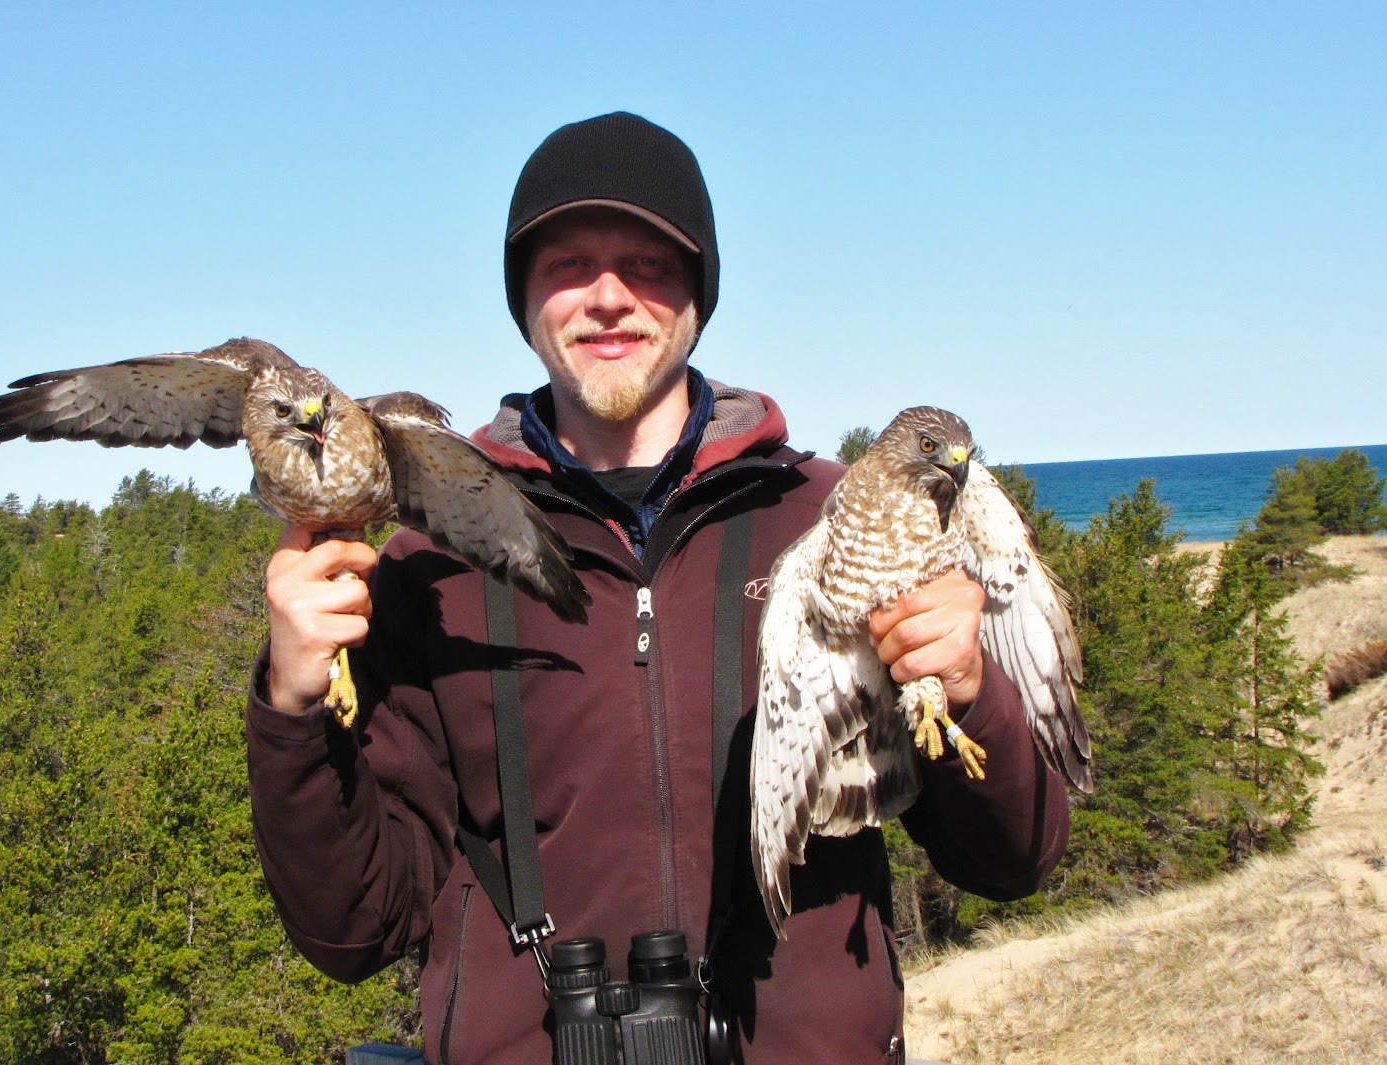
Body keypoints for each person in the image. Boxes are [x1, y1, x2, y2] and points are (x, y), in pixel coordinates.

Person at [245, 112, 1070, 1064]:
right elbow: (354, 926)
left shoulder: (835, 516)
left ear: (696, 296)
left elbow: (1013, 858)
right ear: (523, 299)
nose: (608, 297)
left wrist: (971, 690)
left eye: (649, 264)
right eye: (567, 264)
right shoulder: (431, 562)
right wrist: (292, 703)